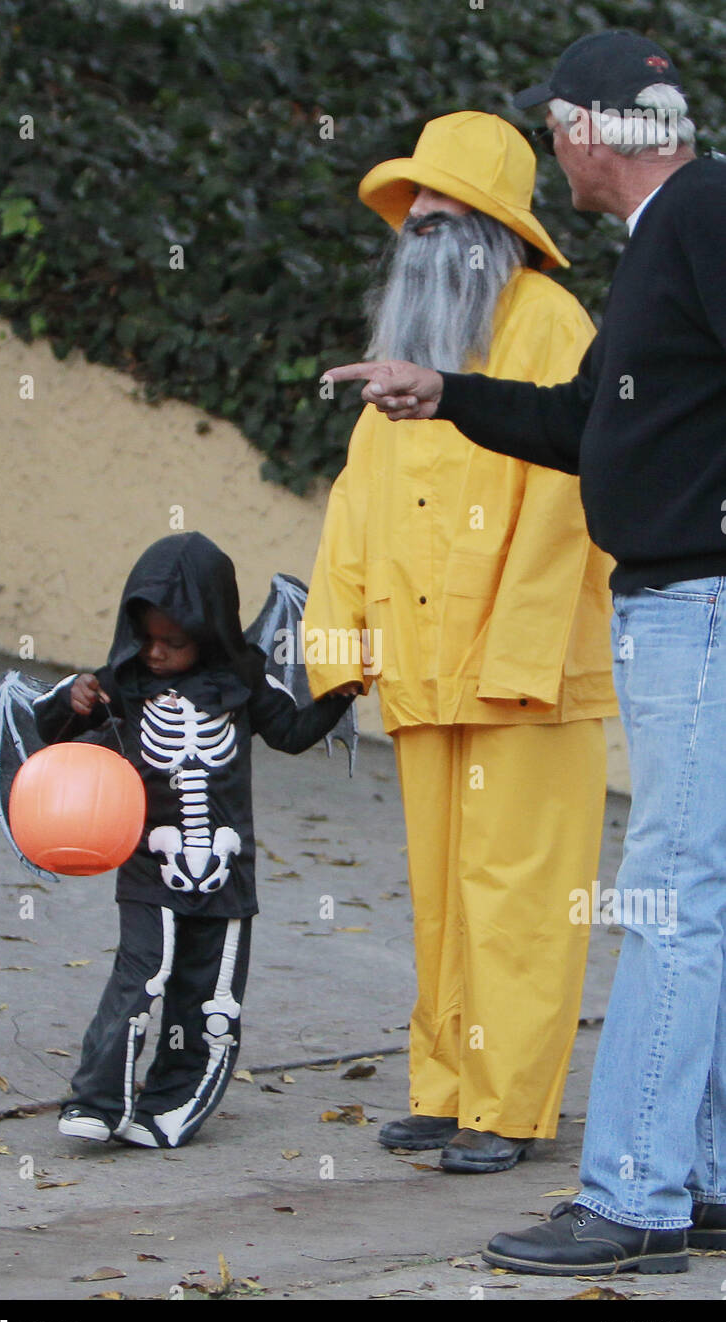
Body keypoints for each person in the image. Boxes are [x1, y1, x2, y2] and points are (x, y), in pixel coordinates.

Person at [323, 31, 726, 1274]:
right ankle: (698, 1179)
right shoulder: (666, 238)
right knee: (694, 902)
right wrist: (436, 390)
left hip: (682, 612)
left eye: (556, 127)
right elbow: (571, 424)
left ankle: (633, 1199)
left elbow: (573, 497)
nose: (556, 149)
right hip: (664, 612)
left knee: (668, 903)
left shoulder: (702, 211)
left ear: (592, 130)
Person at [304, 112, 616, 1176]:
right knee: (440, 898)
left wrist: (520, 655)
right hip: (427, 677)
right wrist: (337, 654)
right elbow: (356, 506)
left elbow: (572, 496)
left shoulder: (550, 322)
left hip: (523, 681)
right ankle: (444, 1091)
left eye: (438, 218)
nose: (418, 238)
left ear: (493, 230)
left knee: (517, 900)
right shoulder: (406, 359)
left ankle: (510, 1108)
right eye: (411, 221)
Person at [33, 532, 352, 1150]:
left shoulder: (244, 679)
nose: (156, 652)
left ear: (209, 632)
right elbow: (57, 738)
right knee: (141, 978)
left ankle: (172, 1105)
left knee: (209, 997)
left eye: (174, 642)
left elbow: (287, 732)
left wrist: (338, 698)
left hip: (228, 876)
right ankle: (98, 1099)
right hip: (149, 867)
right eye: (147, 637)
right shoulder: (121, 682)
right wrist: (70, 700)